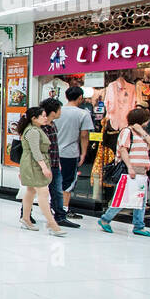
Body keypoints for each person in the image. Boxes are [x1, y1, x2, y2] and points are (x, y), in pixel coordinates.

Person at [98, 106, 150, 238]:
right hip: (130, 170)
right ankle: (105, 219)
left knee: (140, 200)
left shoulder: (140, 133)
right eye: (146, 120)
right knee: (124, 198)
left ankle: (139, 225)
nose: (147, 122)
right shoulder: (126, 132)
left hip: (141, 171)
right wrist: (130, 167)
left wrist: (141, 131)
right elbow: (123, 150)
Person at [17, 106, 66, 237]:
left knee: (31, 190)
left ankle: (26, 218)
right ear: (34, 118)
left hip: (31, 163)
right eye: (43, 116)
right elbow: (36, 151)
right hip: (34, 165)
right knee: (43, 192)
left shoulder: (35, 129)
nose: (45, 118)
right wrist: (44, 167)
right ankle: (51, 223)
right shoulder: (33, 131)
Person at [39, 97, 79, 228]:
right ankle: (26, 214)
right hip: (43, 165)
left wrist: (58, 162)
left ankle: (60, 216)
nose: (61, 112)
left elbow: (54, 145)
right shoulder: (41, 126)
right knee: (34, 190)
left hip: (55, 163)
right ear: (53, 112)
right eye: (59, 109)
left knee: (57, 191)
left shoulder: (53, 124)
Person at [55, 87, 94, 218]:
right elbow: (84, 135)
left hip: (54, 152)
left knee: (54, 180)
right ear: (80, 98)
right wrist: (83, 153)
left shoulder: (57, 111)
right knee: (68, 182)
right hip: (70, 153)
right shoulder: (83, 113)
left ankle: (55, 206)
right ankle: (64, 209)